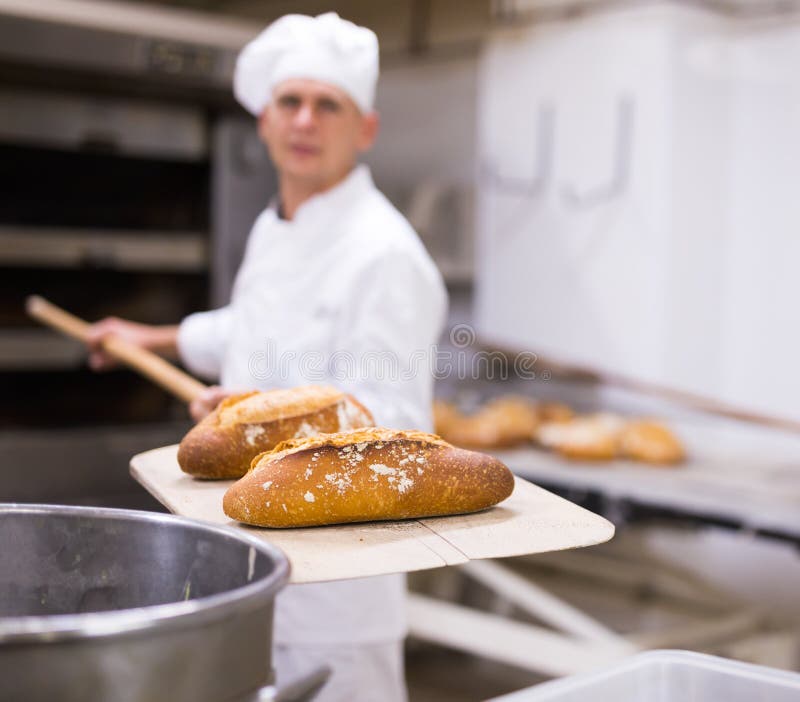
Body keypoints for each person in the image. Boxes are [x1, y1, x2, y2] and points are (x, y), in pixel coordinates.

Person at [86, 12, 447, 702]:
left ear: (364, 129)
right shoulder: (273, 228)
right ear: (264, 120)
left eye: (328, 105)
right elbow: (254, 328)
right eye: (291, 101)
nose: (305, 120)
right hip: (251, 562)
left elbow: (393, 428)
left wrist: (252, 417)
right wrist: (152, 338)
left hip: (339, 596)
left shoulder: (385, 255)